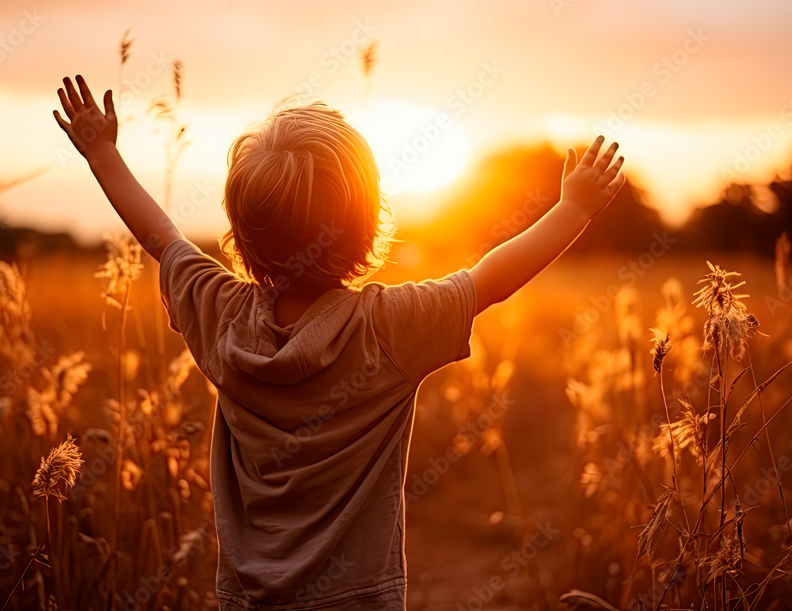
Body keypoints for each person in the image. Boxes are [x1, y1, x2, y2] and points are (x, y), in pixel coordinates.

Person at [53, 74, 625, 609]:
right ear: (369, 222)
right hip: (358, 595)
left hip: (247, 595)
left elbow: (161, 237)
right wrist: (573, 207)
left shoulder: (220, 314)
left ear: (240, 232)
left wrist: (101, 151)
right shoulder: (387, 326)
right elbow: (491, 279)